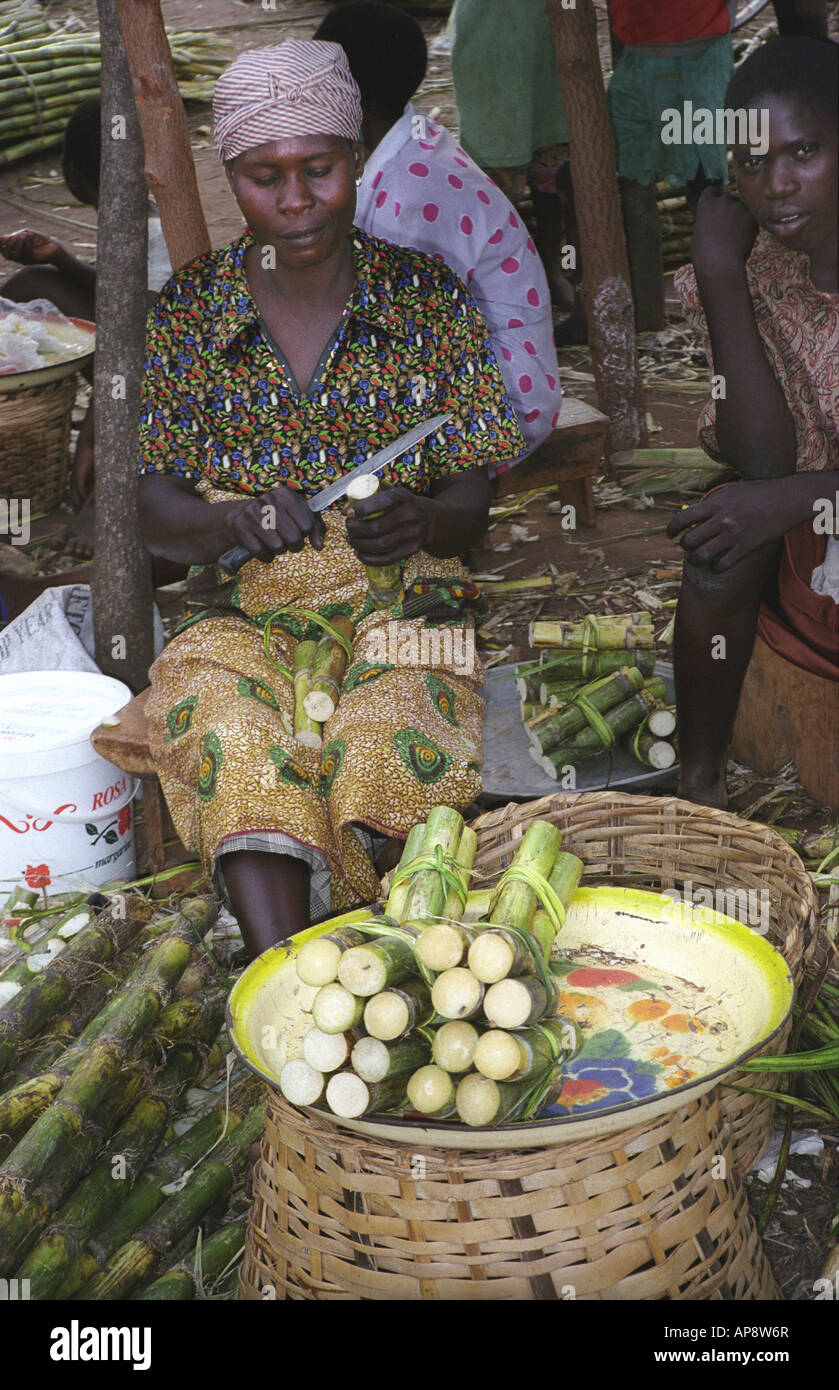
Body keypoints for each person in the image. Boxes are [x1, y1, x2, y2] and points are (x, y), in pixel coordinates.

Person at [137, 40, 525, 958]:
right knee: (231, 728)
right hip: (246, 611)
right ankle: (291, 969)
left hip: (407, 596)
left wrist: (428, 518)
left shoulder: (426, 299)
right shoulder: (191, 313)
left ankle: (393, 957)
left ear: (355, 161)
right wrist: (231, 518)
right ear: (232, 177)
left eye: (319, 169)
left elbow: (473, 488)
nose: (297, 198)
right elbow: (153, 504)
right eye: (265, 176)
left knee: (387, 737)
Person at [667, 37, 838, 808]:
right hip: (819, 507)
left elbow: (782, 489)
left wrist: (793, 498)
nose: (775, 185)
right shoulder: (760, 265)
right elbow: (761, 458)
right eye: (748, 163)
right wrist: (719, 278)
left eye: (802, 151)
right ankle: (698, 786)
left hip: (818, 501)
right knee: (718, 542)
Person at [313, 2, 561, 474]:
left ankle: (435, 523)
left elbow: (396, 337)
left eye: (313, 92)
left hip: (505, 397)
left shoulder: (411, 194)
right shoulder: (396, 144)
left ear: (348, 100)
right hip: (459, 369)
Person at [0, 97, 172, 559]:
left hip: (159, 366)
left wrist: (97, 425)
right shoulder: (133, 215)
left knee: (121, 389)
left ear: (72, 173)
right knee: (31, 283)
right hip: (136, 343)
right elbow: (117, 296)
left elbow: (142, 327)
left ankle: (109, 499)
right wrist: (58, 258)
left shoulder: (152, 229)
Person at [606, 0, 738, 329]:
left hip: (702, 48)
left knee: (705, 185)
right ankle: (649, 313)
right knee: (634, 178)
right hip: (640, 52)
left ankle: (720, 306)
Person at [448, 0, 580, 326]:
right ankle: (508, 287)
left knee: (553, 172)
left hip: (549, 36)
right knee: (496, 186)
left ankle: (550, 268)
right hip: (488, 41)